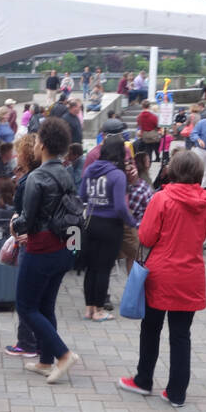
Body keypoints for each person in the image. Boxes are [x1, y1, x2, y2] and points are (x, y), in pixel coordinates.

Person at [116, 150, 206, 407]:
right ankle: (177, 393)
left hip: (161, 273)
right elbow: (202, 234)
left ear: (172, 170)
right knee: (181, 335)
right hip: (191, 273)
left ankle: (143, 379)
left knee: (151, 328)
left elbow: (146, 237)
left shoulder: (162, 198)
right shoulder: (205, 201)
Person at [10, 116, 80, 384]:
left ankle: (63, 355)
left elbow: (27, 220)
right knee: (46, 305)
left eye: (37, 139)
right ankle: (45, 360)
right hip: (64, 248)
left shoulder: (36, 177)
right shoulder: (67, 171)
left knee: (26, 306)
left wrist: (14, 223)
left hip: (41, 249)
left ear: (42, 143)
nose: (35, 143)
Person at [80, 134, 136, 322]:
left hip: (91, 222)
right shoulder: (117, 175)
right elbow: (121, 206)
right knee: (104, 268)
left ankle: (89, 308)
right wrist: (132, 221)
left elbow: (83, 196)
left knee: (91, 268)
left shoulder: (89, 171)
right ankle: (99, 310)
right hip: (111, 226)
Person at [5, 135, 43, 359]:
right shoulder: (44, 176)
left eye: (19, 151)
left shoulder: (27, 181)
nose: (16, 155)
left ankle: (26, 342)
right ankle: (38, 341)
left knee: (25, 296)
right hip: (46, 245)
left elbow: (23, 217)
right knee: (39, 296)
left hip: (30, 244)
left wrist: (15, 226)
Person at [122, 151, 155, 280]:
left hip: (137, 229)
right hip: (144, 226)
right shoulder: (143, 184)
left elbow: (127, 215)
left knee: (131, 257)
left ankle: (133, 287)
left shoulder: (136, 191)